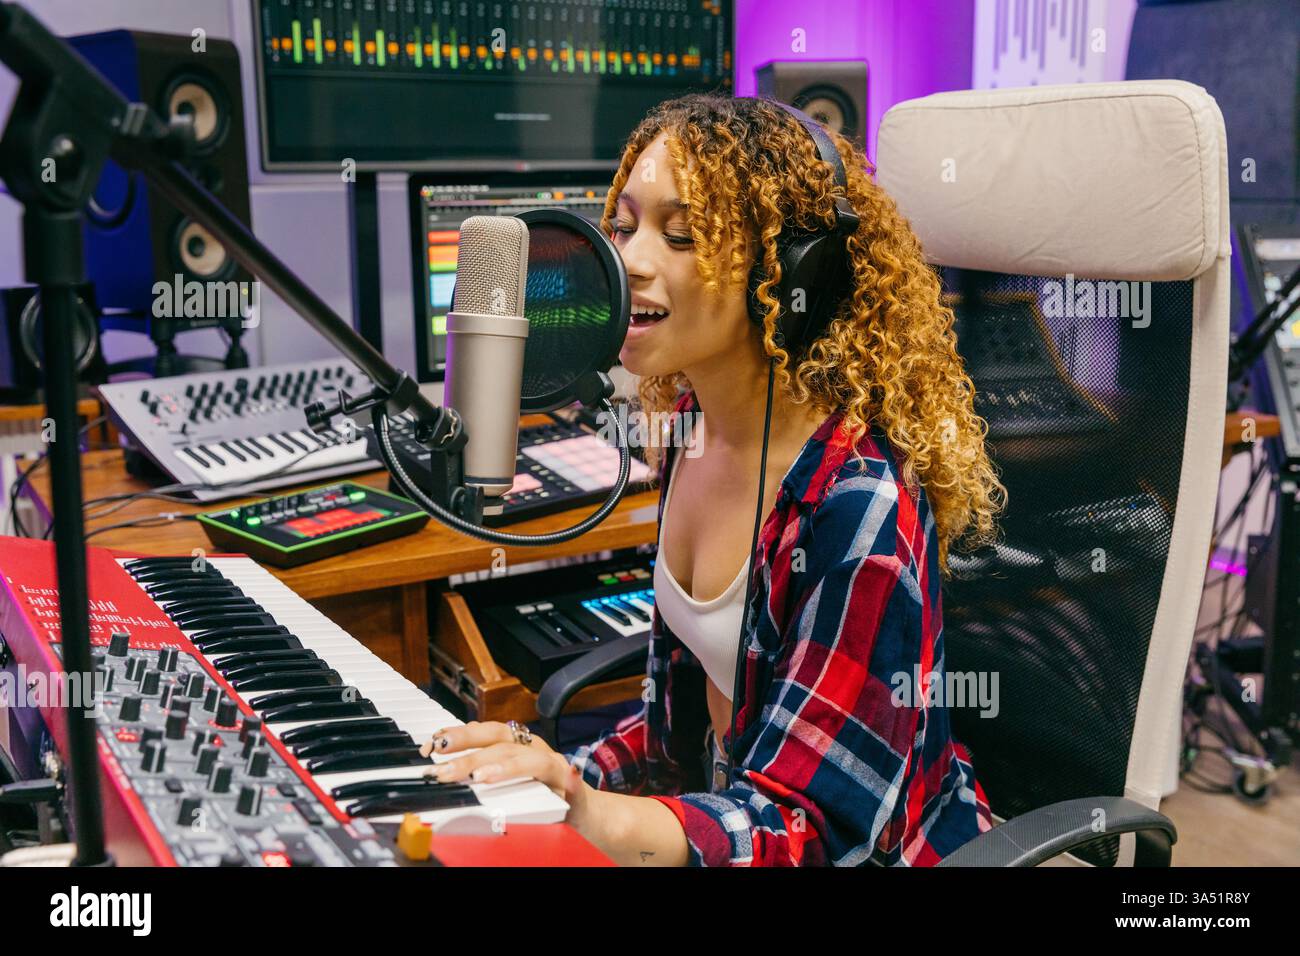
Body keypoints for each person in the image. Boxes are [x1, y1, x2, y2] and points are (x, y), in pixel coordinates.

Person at [420, 94, 1006, 866]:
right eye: (624, 225)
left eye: (684, 234)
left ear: (791, 270)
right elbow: (678, 735)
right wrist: (542, 777)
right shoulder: (693, 430)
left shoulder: (859, 509)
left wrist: (594, 811)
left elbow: (813, 830)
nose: (628, 261)